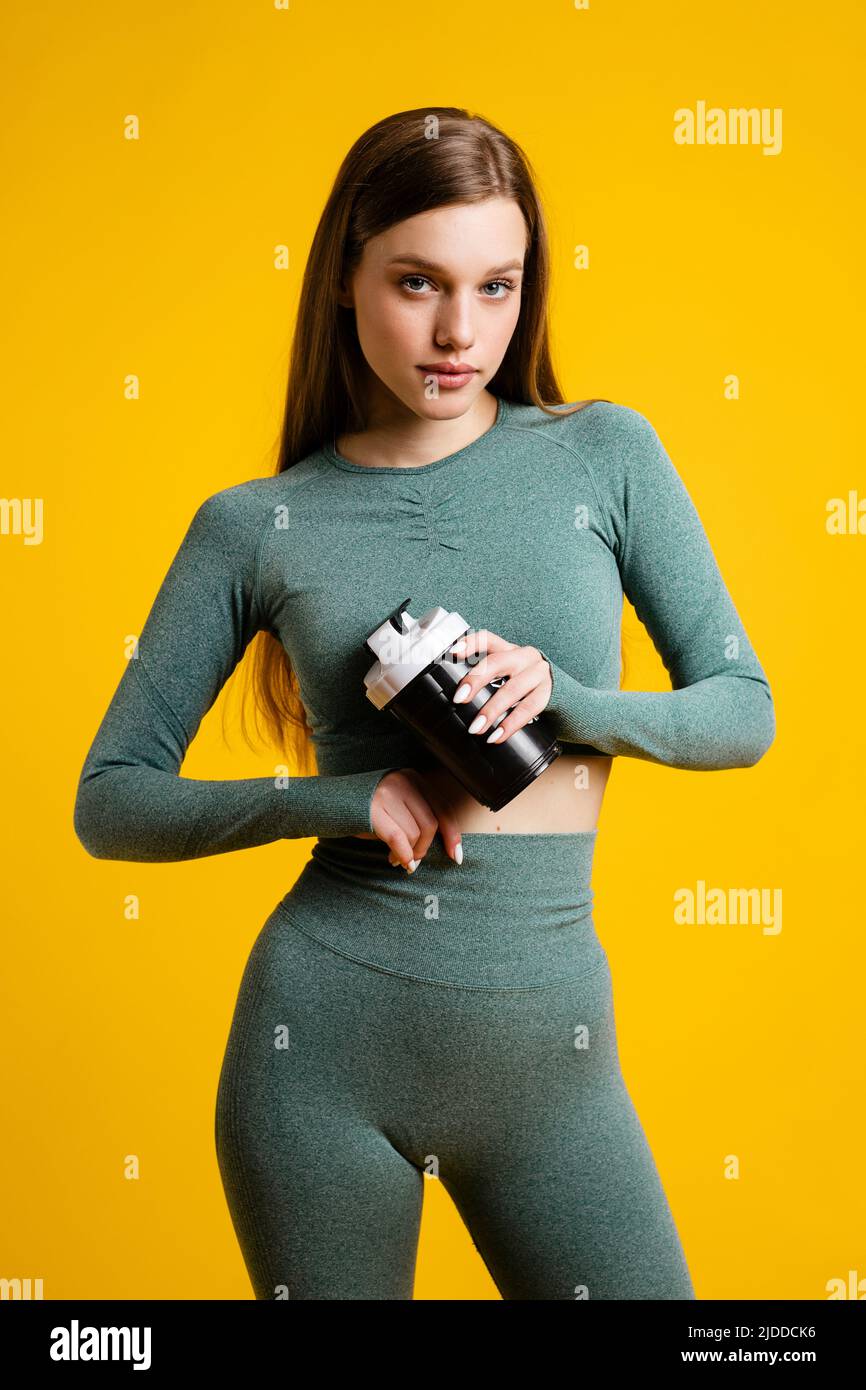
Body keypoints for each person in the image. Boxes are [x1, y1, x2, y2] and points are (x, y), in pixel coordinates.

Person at [73, 107, 775, 1300]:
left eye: (495, 286)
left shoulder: (602, 453)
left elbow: (740, 710)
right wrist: (342, 798)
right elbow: (110, 803)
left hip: (552, 1061)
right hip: (321, 1053)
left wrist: (578, 701)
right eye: (416, 283)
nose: (461, 331)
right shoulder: (252, 524)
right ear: (345, 277)